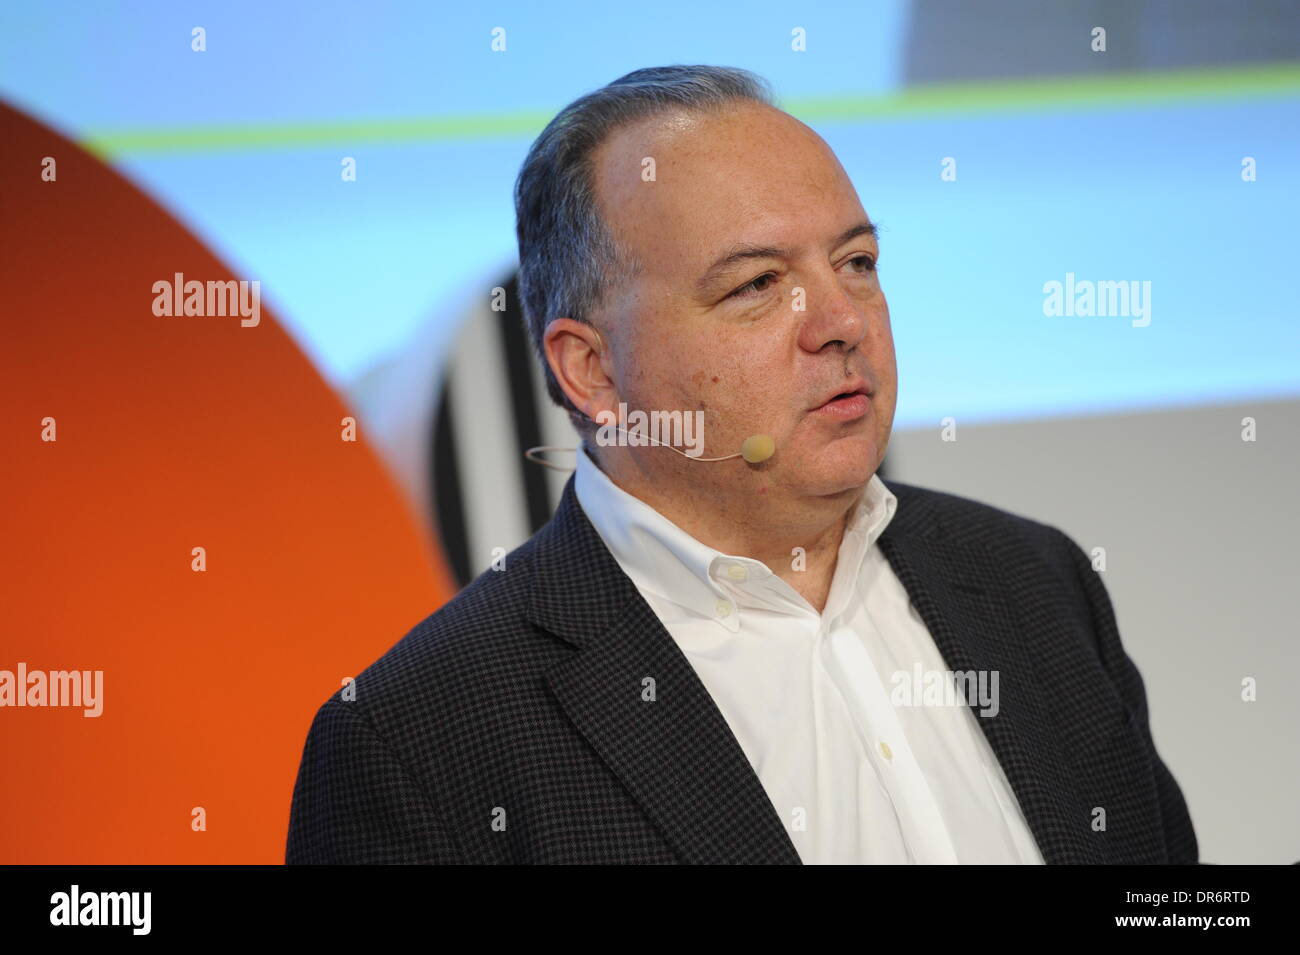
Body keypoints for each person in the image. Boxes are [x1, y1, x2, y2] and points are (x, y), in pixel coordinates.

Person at [286, 65, 1197, 864]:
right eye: (757, 284)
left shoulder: (1034, 582)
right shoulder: (419, 737)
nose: (841, 320)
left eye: (857, 261)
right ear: (591, 369)